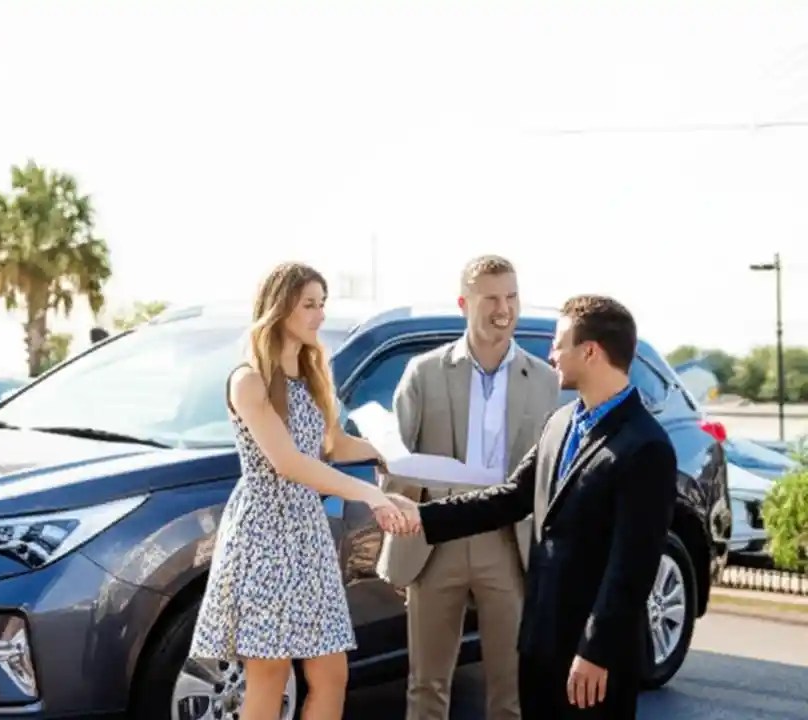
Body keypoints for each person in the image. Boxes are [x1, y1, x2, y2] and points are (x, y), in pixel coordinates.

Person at [394, 294, 677, 719]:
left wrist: (596, 650)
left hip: (593, 660)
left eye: (559, 343)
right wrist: (422, 518)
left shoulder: (647, 446)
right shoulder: (561, 422)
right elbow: (511, 498)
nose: (551, 354)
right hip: (540, 643)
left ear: (590, 351)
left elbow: (631, 567)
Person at [189, 261, 419, 720]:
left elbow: (331, 444)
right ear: (279, 309)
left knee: (332, 675)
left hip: (308, 537)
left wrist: (386, 452)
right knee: (270, 676)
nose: (319, 315)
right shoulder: (248, 380)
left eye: (322, 304)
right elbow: (288, 462)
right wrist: (369, 494)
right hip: (264, 536)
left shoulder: (312, 375)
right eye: (309, 305)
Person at [385, 255, 559, 720]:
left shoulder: (546, 380)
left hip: (508, 544)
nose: (504, 309)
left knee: (511, 694)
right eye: (492, 298)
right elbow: (393, 461)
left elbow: (549, 471)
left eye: (512, 296)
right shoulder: (423, 373)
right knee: (426, 688)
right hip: (435, 543)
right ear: (465, 303)